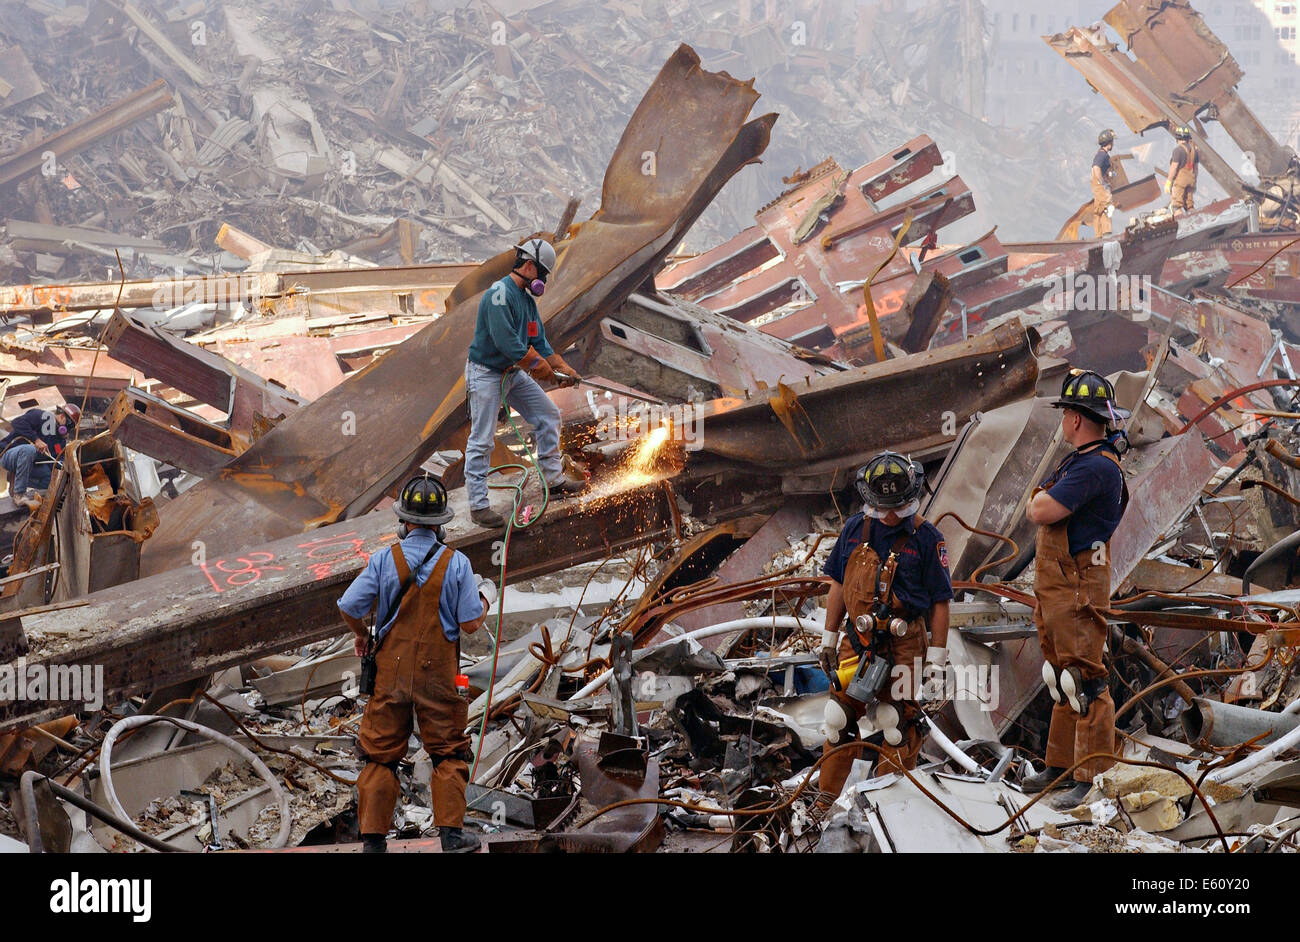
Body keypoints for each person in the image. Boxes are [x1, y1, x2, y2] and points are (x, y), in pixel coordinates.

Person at [337, 474, 497, 853]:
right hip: (438, 675)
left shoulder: (382, 559)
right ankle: (452, 838)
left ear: (403, 520)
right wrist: (486, 596)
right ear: (441, 524)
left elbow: (348, 606)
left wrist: (363, 634)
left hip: (390, 674)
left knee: (380, 754)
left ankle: (374, 842)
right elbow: (470, 622)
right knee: (447, 751)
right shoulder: (457, 564)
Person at [817, 451, 953, 799]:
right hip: (857, 641)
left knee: (895, 725)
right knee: (837, 719)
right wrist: (829, 639)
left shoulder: (927, 539)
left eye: (899, 506)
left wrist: (936, 660)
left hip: (904, 645)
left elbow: (940, 600)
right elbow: (836, 583)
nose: (891, 515)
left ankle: (887, 808)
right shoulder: (853, 530)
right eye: (884, 507)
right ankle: (824, 802)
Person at [1022, 369, 1130, 809]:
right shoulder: (1081, 463)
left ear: (1076, 419)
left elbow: (1042, 510)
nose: (1063, 421)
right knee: (1059, 676)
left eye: (1066, 412)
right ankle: (1060, 766)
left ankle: (1094, 775)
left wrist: (1037, 501)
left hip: (1078, 583)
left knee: (1085, 679)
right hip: (1058, 584)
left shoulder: (1095, 467)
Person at [464, 237, 585, 529]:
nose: (542, 280)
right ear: (529, 266)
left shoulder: (527, 302)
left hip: (511, 372)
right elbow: (508, 343)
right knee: (482, 438)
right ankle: (479, 506)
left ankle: (553, 481)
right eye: (542, 274)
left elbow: (539, 343)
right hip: (486, 372)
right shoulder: (498, 295)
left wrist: (562, 367)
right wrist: (538, 366)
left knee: (548, 414)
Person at [0, 402, 80, 511]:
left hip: (30, 465)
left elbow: (57, 459)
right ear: (62, 417)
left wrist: (65, 470)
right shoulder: (40, 416)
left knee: (50, 479)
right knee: (29, 450)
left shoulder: (59, 442)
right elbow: (17, 422)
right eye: (69, 426)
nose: (68, 430)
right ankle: (19, 494)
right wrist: (36, 439)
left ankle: (15, 478)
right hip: (10, 455)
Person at [1165, 125, 1198, 215]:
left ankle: (1182, 225)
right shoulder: (1195, 151)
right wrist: (1194, 182)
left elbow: (1174, 167)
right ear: (1188, 138)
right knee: (1189, 206)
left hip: (1180, 182)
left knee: (1177, 206)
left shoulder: (1178, 150)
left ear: (1177, 138)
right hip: (1191, 180)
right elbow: (1196, 168)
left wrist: (1168, 182)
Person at [1090, 129, 1116, 237]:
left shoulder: (1101, 154)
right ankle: (1106, 235)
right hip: (1100, 185)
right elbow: (1096, 168)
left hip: (1097, 185)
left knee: (1099, 210)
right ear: (1109, 143)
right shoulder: (1102, 155)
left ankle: (1099, 235)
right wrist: (1102, 183)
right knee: (1107, 207)